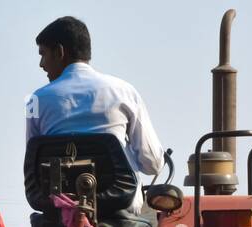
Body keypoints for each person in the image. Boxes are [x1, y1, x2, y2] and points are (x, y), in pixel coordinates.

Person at [25, 16, 164, 214]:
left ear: (60, 52)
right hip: (120, 213)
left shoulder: (36, 100)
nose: (41, 64)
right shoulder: (124, 91)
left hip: (62, 219)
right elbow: (152, 163)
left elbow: (35, 166)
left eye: (43, 54)